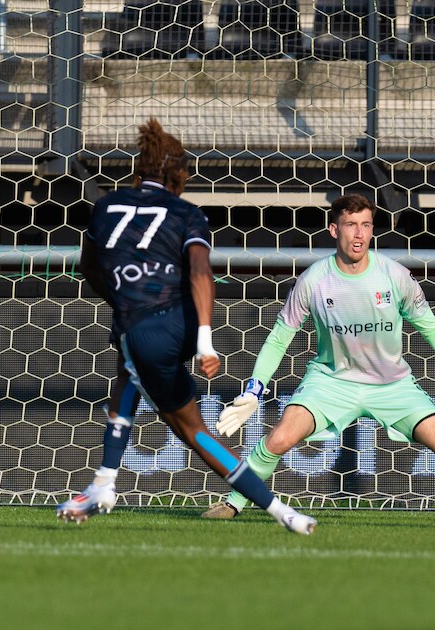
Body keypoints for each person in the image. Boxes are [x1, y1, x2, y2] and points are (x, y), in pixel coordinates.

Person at [200, 193, 435, 519]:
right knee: (280, 437)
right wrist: (255, 389)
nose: (358, 234)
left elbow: (430, 327)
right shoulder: (314, 280)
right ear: (334, 230)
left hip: (393, 386)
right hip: (331, 382)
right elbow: (279, 338)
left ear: (373, 229)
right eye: (349, 225)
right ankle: (232, 503)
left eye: (365, 225)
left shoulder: (394, 276)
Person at [60, 118, 316, 535]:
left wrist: (121, 299)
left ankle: (103, 484)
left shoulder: (105, 207)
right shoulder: (186, 212)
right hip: (176, 326)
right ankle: (284, 512)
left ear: (138, 170)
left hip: (143, 328)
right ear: (179, 175)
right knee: (187, 427)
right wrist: (204, 341)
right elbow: (200, 271)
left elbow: (89, 266)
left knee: (146, 382)